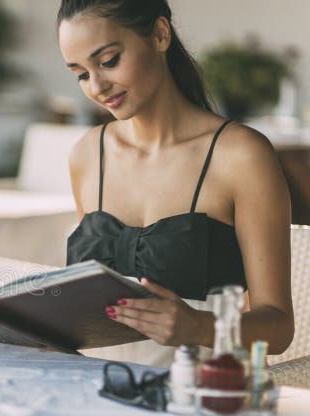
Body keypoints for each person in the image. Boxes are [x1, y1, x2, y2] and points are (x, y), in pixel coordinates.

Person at [58, 0, 294, 366]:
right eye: (81, 74)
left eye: (107, 61)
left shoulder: (240, 156)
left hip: (206, 394)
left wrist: (200, 327)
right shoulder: (87, 155)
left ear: (160, 34)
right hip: (97, 389)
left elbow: (278, 328)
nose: (97, 86)